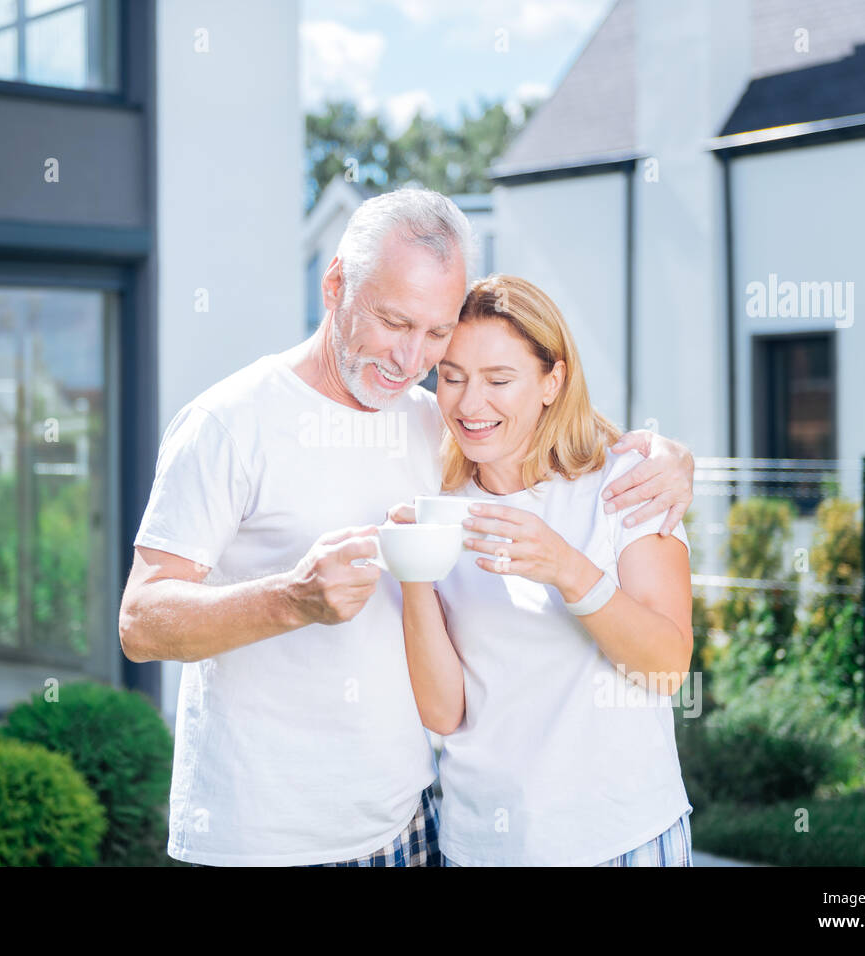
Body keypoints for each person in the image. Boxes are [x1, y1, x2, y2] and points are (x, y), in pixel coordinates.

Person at [118, 188, 695, 867]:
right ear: (336, 284)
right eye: (394, 322)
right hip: (263, 837)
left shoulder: (434, 426)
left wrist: (671, 457)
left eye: (435, 332)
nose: (410, 358)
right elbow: (141, 623)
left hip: (408, 828)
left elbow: (546, 435)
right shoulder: (230, 422)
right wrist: (289, 599)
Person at [394, 274, 694, 866]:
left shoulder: (624, 484)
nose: (469, 403)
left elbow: (665, 669)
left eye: (498, 380)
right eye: (451, 377)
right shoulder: (436, 506)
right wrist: (413, 574)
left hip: (622, 840)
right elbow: (442, 713)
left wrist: (567, 568)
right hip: (482, 846)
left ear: (553, 380)